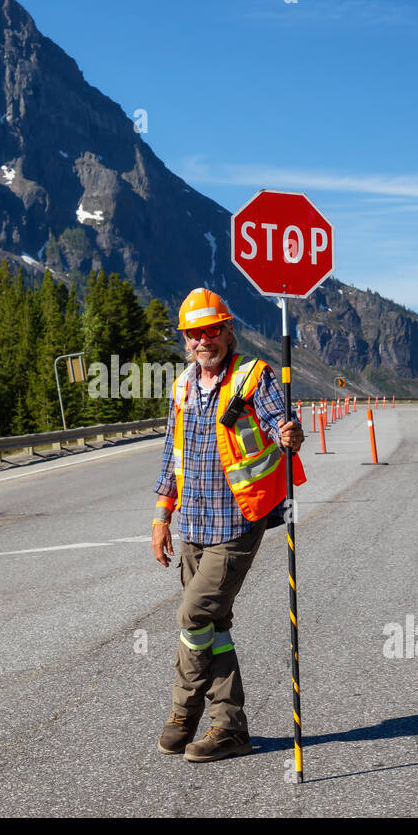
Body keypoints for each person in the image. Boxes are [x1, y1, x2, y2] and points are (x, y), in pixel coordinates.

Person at [151, 288, 305, 763]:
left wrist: (290, 433)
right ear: (186, 340)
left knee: (192, 616)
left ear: (227, 331)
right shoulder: (181, 387)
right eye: (195, 334)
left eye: (212, 331)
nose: (204, 341)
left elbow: (285, 425)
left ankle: (184, 710)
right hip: (193, 523)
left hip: (239, 521)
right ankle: (229, 728)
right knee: (214, 625)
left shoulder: (253, 377)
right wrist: (161, 517)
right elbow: (172, 456)